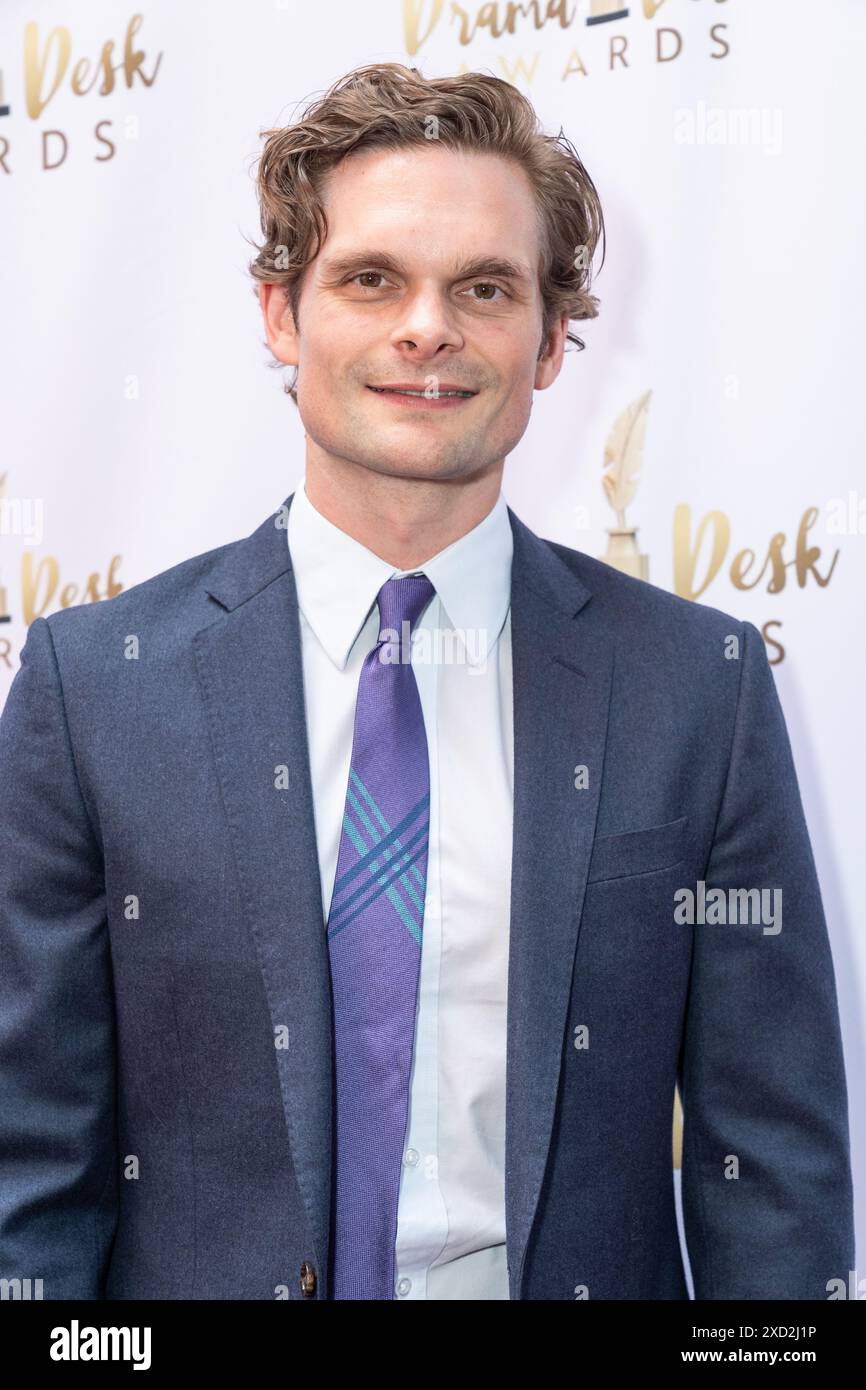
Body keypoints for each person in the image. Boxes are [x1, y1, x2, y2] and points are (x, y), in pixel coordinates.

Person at [0, 63, 854, 1301]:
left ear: (553, 341)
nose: (425, 328)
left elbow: (769, 1168)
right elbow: (30, 1167)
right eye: (369, 278)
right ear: (281, 317)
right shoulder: (94, 691)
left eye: (484, 288)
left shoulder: (695, 689)